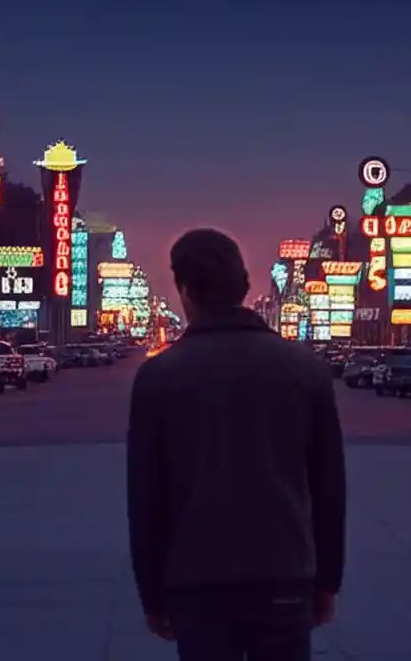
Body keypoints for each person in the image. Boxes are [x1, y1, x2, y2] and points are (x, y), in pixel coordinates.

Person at [127, 228, 347, 660]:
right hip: (284, 573)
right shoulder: (304, 368)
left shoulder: (159, 377)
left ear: (185, 290)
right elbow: (328, 489)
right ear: (245, 287)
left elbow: (147, 500)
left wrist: (152, 595)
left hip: (197, 580)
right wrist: (327, 582)